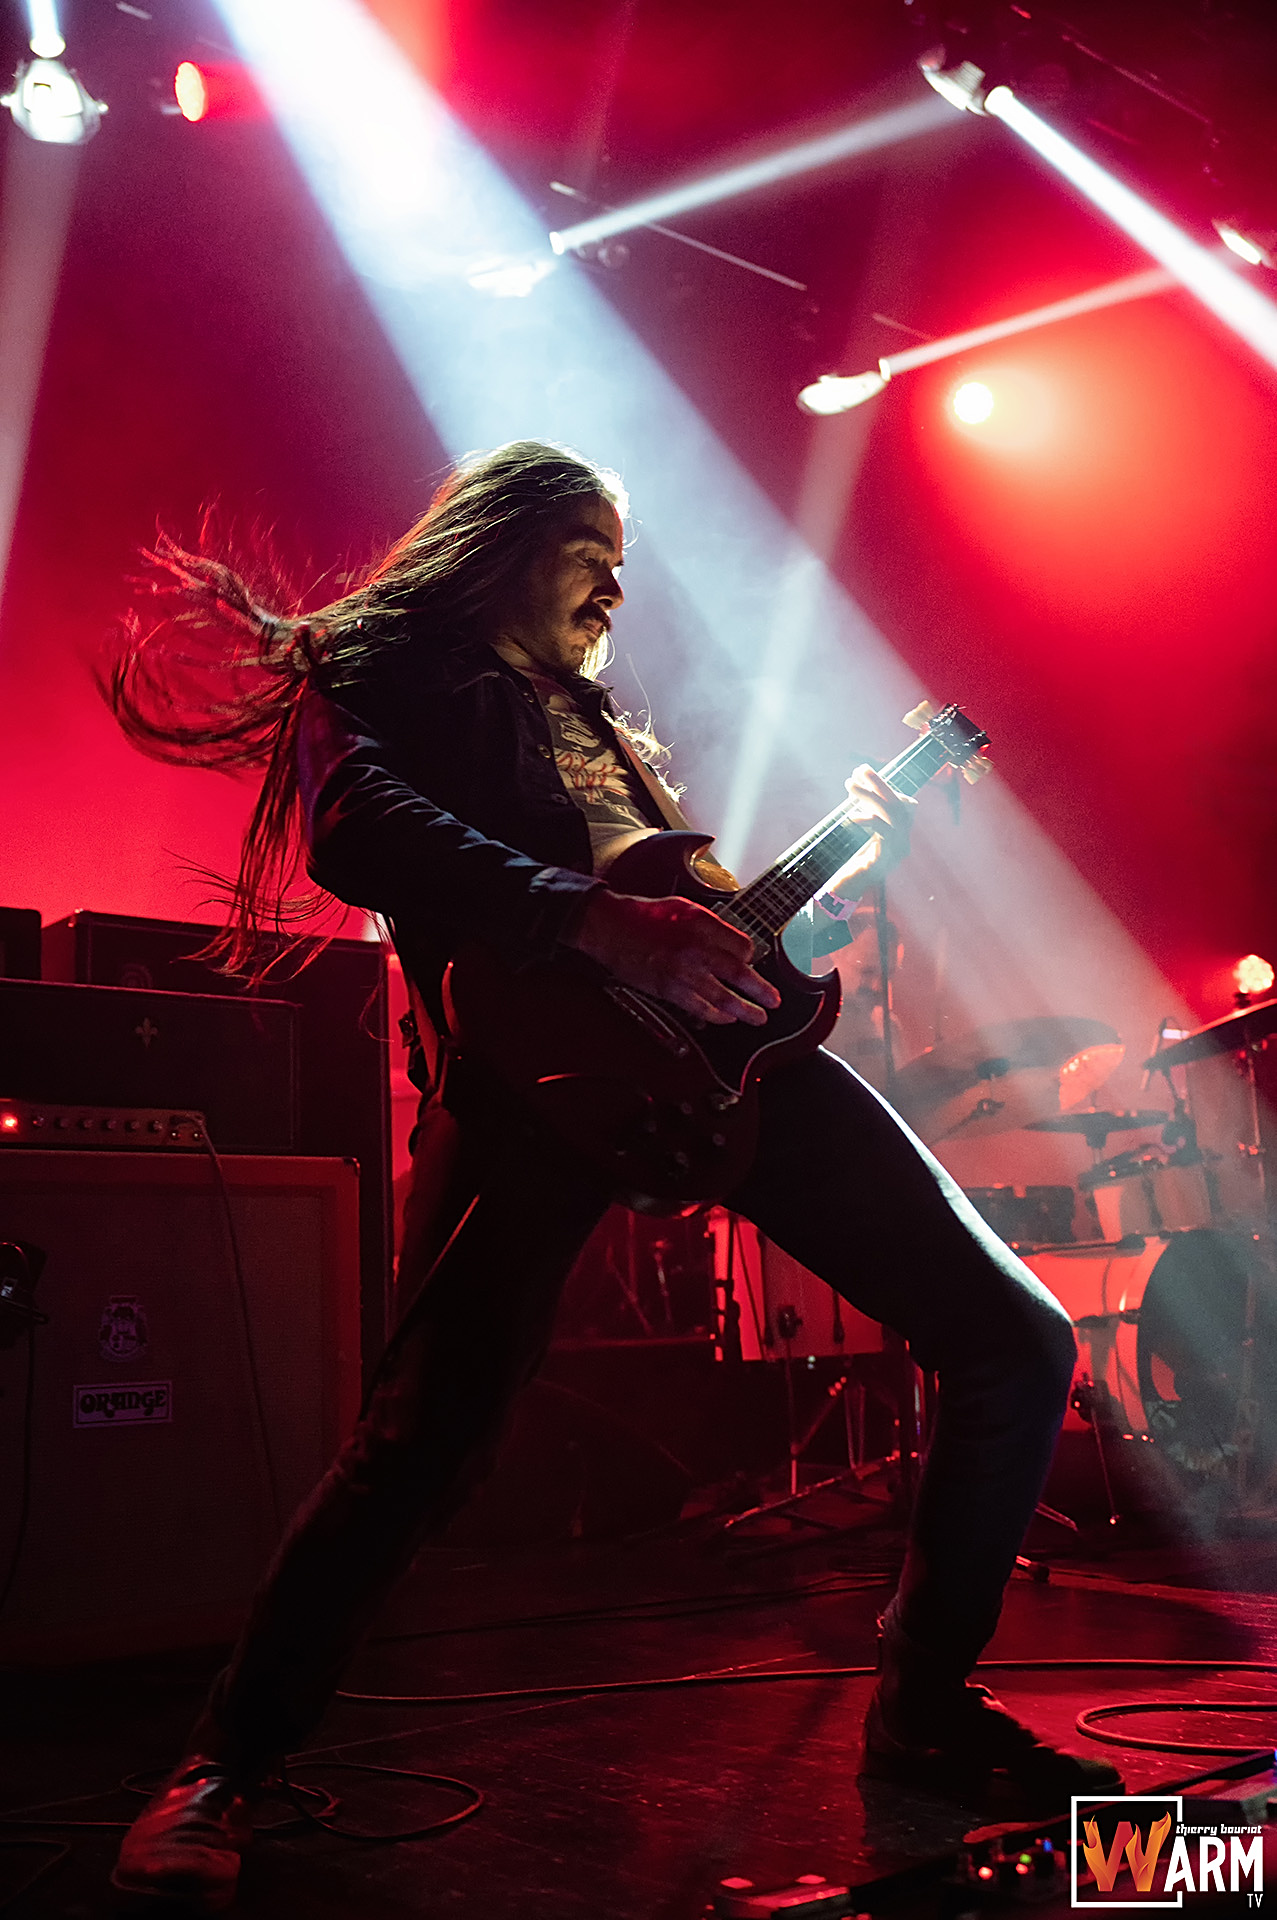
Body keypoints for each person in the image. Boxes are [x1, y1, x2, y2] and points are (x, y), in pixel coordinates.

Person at [107, 442, 1117, 1913]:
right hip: (528, 1077)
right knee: (422, 1441)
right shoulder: (378, 662)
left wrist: (836, 863)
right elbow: (357, 829)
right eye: (593, 544)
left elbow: (698, 923)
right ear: (502, 540)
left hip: (723, 1070)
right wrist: (587, 922)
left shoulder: (588, 717)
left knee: (1016, 1341)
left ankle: (921, 1710)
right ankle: (221, 1770)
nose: (619, 584)